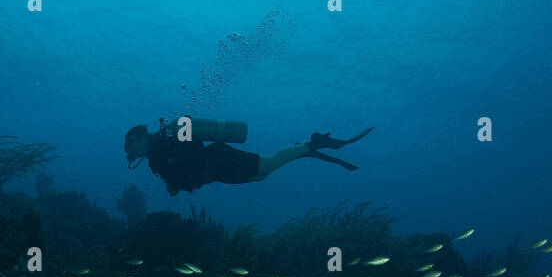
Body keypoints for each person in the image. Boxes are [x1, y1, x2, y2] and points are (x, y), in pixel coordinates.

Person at [124, 121, 373, 196]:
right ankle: (304, 149)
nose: (129, 151)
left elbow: (192, 143)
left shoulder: (164, 139)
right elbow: (176, 179)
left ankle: (313, 143)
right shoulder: (154, 159)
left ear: (141, 136)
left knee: (266, 166)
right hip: (216, 171)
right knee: (263, 173)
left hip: (219, 161)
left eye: (130, 143)